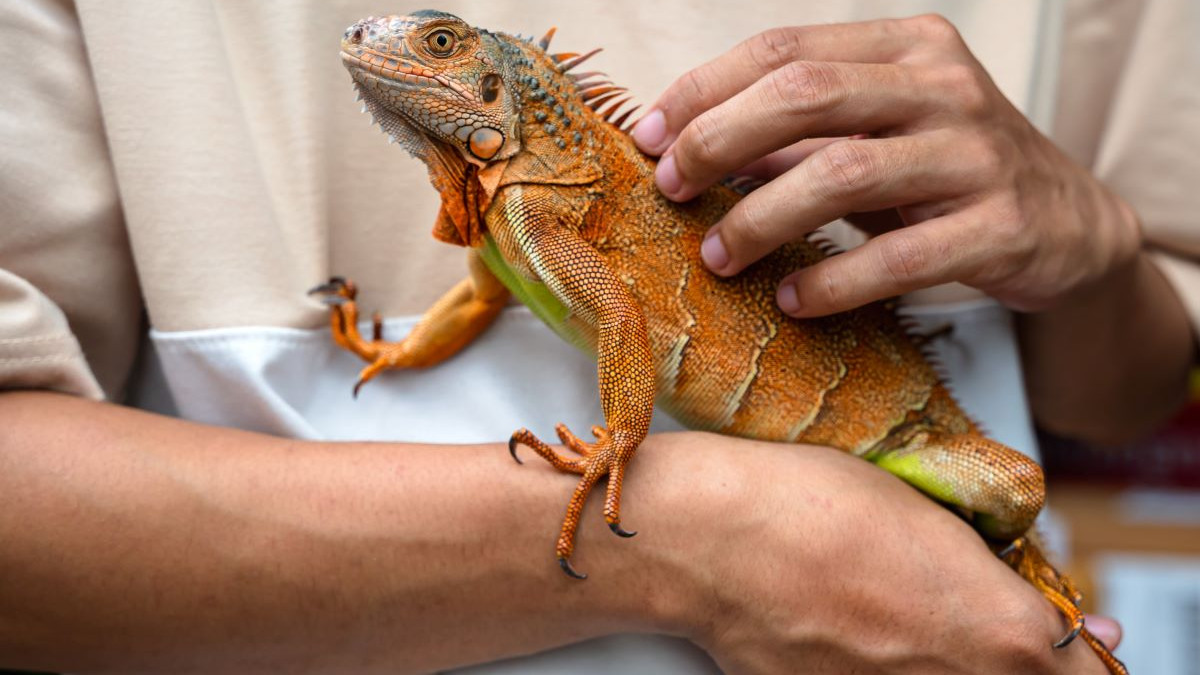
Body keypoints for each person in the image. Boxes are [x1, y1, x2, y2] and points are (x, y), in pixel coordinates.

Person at [0, 1, 1194, 674]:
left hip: (912, 478)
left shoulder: (542, 209)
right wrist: (683, 534)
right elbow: (488, 295)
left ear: (496, 91)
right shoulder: (520, 214)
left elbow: (1130, 396)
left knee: (1009, 487)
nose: (383, 44)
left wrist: (1097, 249)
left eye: (437, 44)